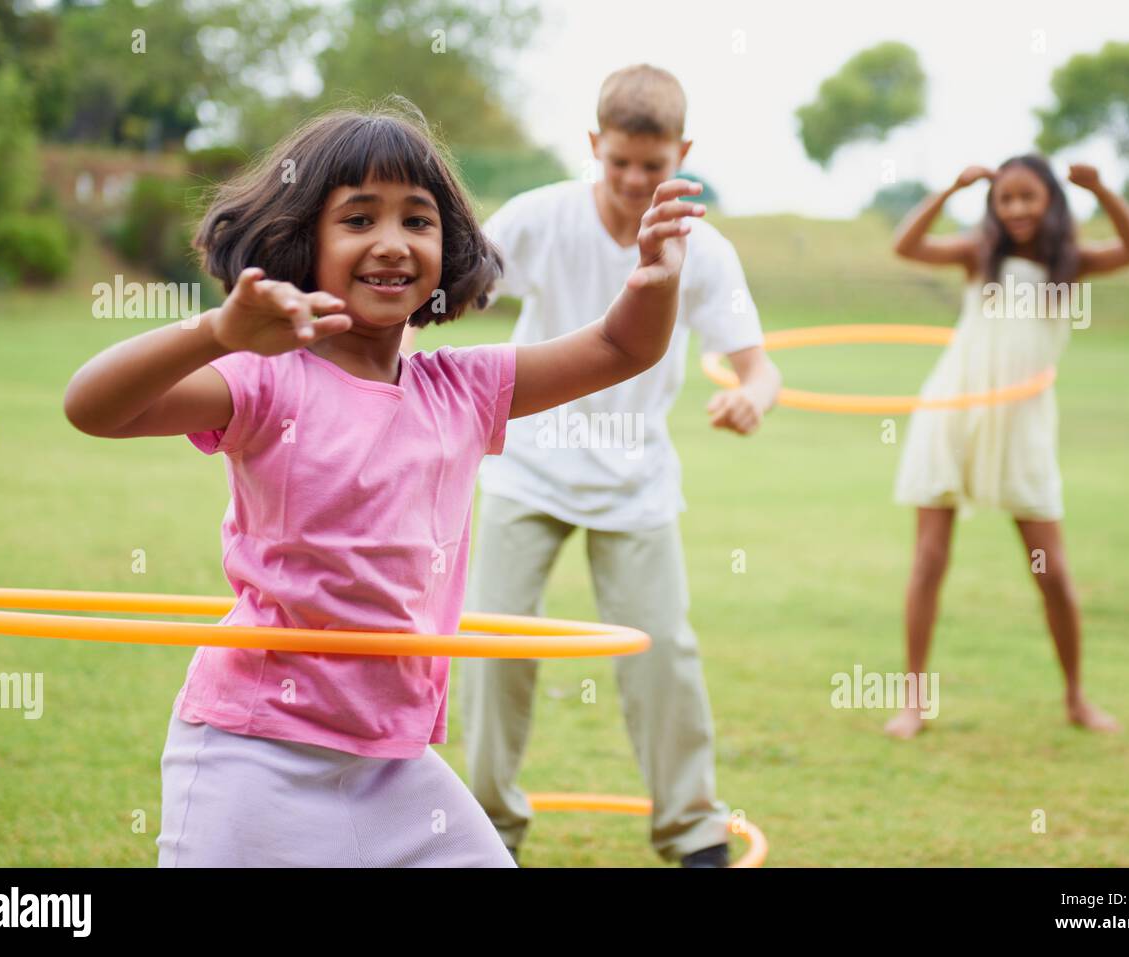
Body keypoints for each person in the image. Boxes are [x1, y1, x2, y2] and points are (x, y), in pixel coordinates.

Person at [61, 99, 705, 866]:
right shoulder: (266, 384)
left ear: (450, 242)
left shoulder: (463, 390)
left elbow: (617, 347)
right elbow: (94, 406)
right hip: (256, 750)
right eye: (359, 219)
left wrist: (656, 279)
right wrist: (215, 333)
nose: (393, 244)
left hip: (392, 761)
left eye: (418, 220)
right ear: (305, 239)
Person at [438, 65, 781, 867]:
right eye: (619, 160)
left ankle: (694, 832)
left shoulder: (705, 248)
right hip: (527, 467)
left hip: (636, 480)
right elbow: (457, 291)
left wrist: (753, 397)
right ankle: (491, 832)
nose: (632, 180)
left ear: (681, 155)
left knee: (663, 651)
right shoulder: (541, 218)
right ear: (595, 145)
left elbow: (758, 365)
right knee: (494, 646)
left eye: (652, 166)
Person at [885, 155, 1129, 739]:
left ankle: (1076, 697)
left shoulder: (1070, 264)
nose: (1017, 209)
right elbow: (906, 246)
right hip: (953, 410)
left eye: (1029, 197)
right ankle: (913, 701)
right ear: (993, 207)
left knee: (1051, 570)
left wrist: (1103, 189)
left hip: (1024, 422)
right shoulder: (979, 253)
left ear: (1052, 201)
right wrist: (948, 187)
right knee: (929, 560)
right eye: (1005, 199)